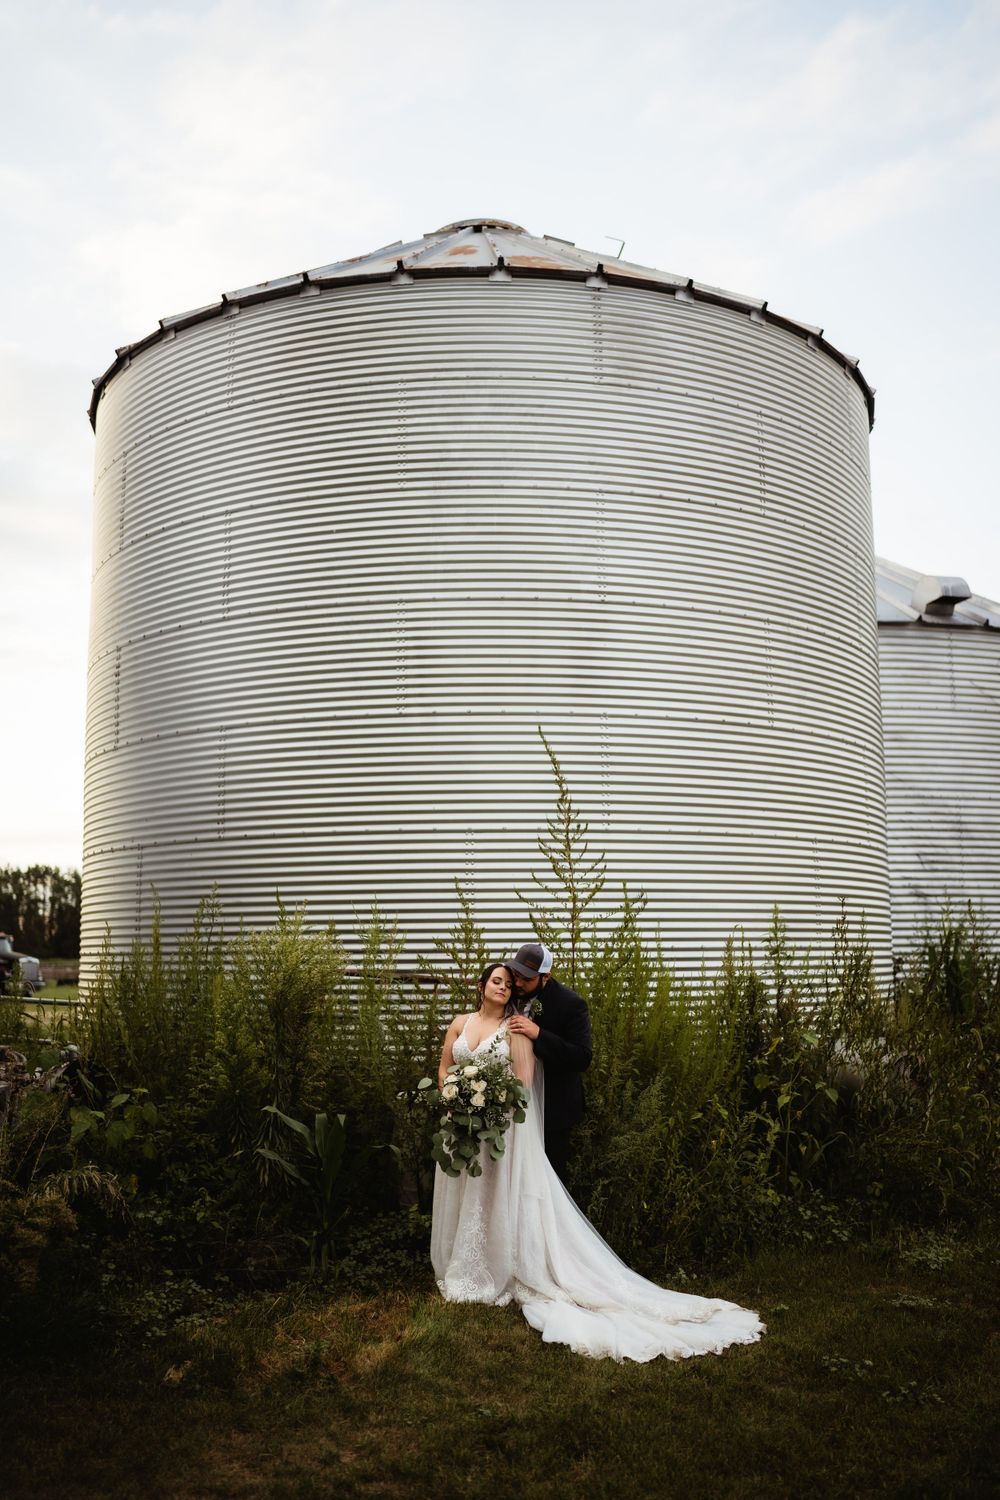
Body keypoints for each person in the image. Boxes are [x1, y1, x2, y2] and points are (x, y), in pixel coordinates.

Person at [430, 959, 766, 1363]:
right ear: (481, 984)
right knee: (469, 1192)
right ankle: (467, 1265)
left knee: (502, 1195)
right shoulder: (461, 1021)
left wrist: (487, 1108)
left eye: (511, 981)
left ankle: (503, 1267)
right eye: (498, 980)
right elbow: (446, 1065)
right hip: (463, 1127)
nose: (506, 985)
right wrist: (455, 1099)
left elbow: (524, 1080)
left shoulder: (519, 1025)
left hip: (499, 1128)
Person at [504, 941, 590, 1184]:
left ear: (546, 977)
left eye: (526, 978)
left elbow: (582, 1057)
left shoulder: (571, 1004)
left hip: (553, 1111)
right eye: (516, 974)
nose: (518, 983)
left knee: (550, 1181)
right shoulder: (508, 994)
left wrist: (539, 1034)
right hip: (512, 1111)